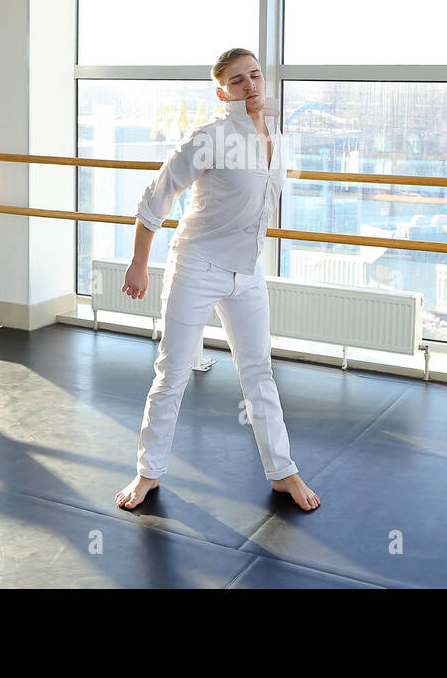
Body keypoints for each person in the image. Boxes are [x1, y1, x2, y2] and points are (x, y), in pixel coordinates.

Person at [115, 48, 321, 512]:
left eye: (255, 76)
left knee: (259, 373)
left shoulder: (278, 140)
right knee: (173, 372)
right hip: (197, 266)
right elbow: (156, 199)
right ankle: (148, 472)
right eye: (237, 80)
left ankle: (282, 471)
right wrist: (138, 264)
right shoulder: (208, 138)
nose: (249, 85)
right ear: (221, 91)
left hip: (247, 273)